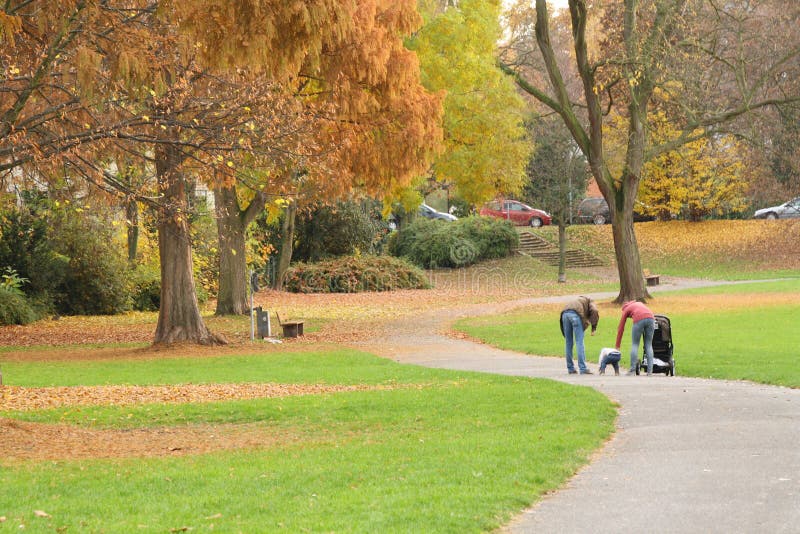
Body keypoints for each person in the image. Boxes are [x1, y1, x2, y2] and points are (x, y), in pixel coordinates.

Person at [560, 296, 599, 375]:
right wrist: (593, 328)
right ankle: (583, 368)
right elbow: (594, 310)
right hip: (575, 315)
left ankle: (570, 368)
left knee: (568, 343)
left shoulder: (578, 299)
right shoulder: (590, 300)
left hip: (564, 314)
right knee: (579, 342)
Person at [615, 300, 656, 375]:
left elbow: (621, 328)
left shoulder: (626, 310)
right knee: (649, 345)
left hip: (639, 319)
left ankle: (632, 370)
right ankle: (650, 372)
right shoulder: (639, 303)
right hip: (651, 319)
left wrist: (617, 345)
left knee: (635, 344)